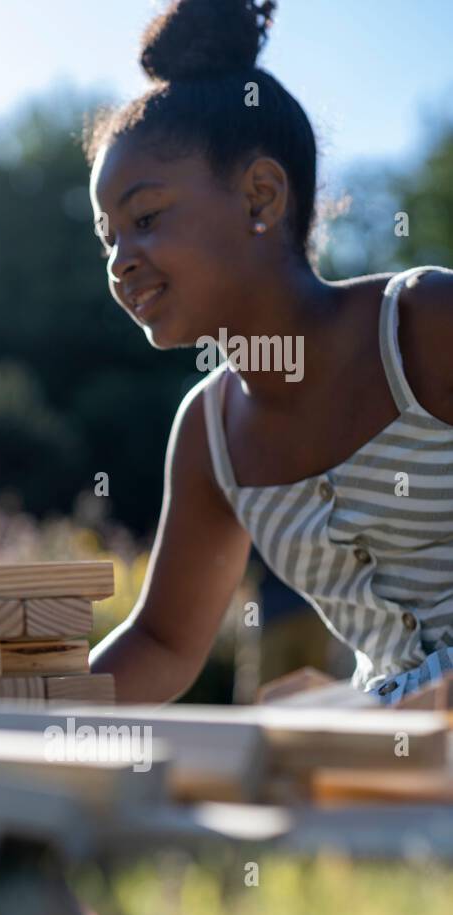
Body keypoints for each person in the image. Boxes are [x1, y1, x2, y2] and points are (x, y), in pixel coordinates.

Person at [85, 0, 453, 704]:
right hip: (390, 779)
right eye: (109, 237)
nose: (120, 261)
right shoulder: (210, 432)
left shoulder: (423, 325)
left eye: (147, 219)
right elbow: (162, 641)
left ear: (261, 197)